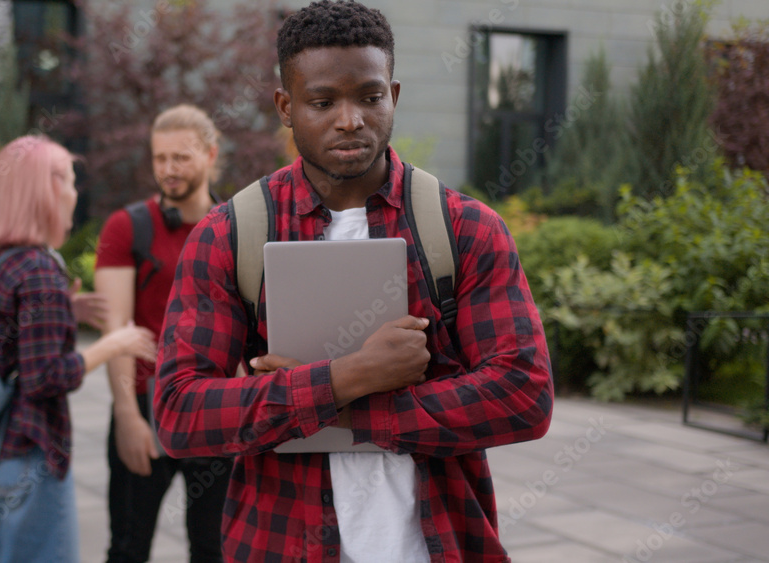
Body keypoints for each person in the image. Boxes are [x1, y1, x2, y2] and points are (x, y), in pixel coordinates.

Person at [152, 2, 554, 562]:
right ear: (286, 107)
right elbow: (179, 414)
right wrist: (350, 375)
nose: (349, 119)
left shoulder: (464, 229)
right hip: (281, 542)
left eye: (369, 97)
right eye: (322, 102)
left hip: (437, 544)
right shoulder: (230, 236)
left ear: (393, 94)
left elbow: (524, 395)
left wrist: (338, 406)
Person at [0, 135, 157, 563]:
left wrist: (62, 309)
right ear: (49, 190)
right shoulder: (38, 270)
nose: (76, 193)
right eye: (70, 182)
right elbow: (46, 377)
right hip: (29, 451)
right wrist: (114, 344)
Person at [95, 104, 231, 563]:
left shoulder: (233, 227)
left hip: (214, 413)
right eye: (159, 159)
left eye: (181, 157)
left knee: (213, 550)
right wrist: (128, 417)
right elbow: (116, 328)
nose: (168, 170)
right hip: (146, 409)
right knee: (129, 549)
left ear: (210, 154)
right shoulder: (125, 228)